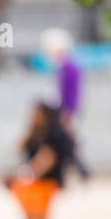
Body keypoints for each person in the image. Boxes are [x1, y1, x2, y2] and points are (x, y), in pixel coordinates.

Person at [7, 101, 84, 219]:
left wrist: (27, 174)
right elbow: (18, 148)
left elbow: (46, 159)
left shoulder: (53, 135)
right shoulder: (36, 132)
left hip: (43, 185)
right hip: (35, 184)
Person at [42, 28, 89, 181]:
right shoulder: (61, 67)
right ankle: (79, 170)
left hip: (65, 111)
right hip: (60, 110)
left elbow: (72, 93)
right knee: (66, 142)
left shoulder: (70, 68)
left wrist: (68, 111)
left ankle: (80, 170)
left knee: (65, 142)